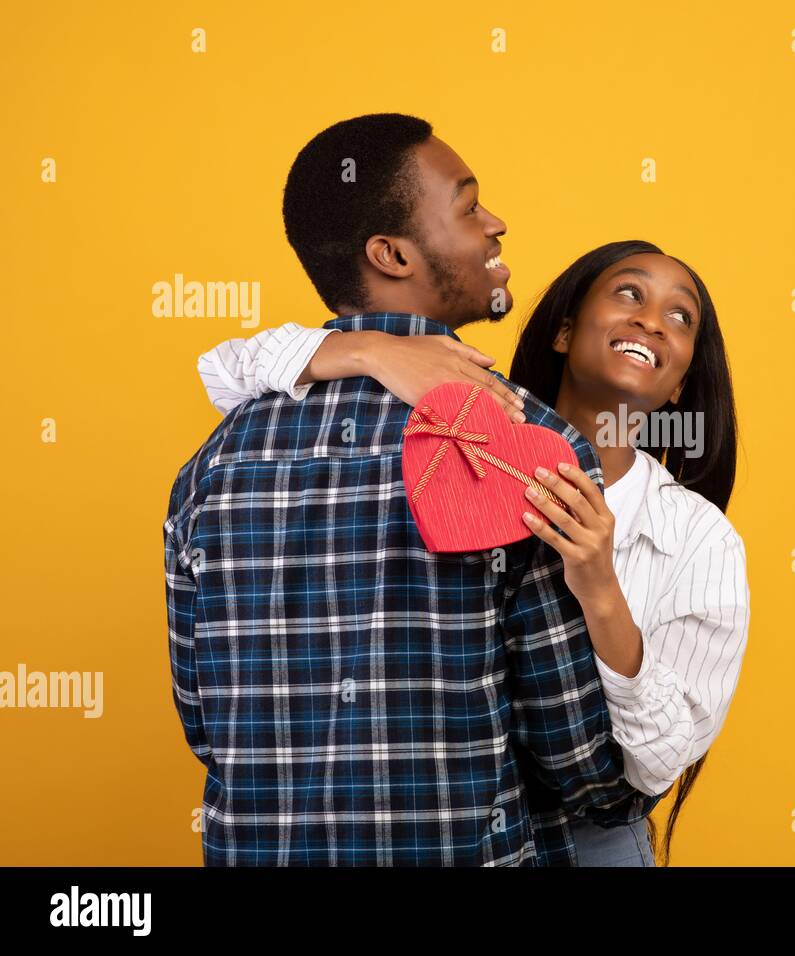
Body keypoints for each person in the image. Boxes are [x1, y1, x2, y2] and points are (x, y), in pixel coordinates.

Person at [163, 113, 660, 866]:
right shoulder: (528, 441)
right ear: (392, 254)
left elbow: (205, 723)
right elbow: (565, 745)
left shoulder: (211, 466)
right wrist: (625, 795)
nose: (496, 224)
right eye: (468, 206)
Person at [192, 241, 750, 866]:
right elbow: (226, 370)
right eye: (629, 294)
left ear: (680, 387)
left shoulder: (698, 538)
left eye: (680, 317)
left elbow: (658, 763)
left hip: (593, 839)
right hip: (459, 827)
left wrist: (600, 590)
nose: (651, 321)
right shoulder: (457, 436)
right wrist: (369, 350)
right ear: (564, 332)